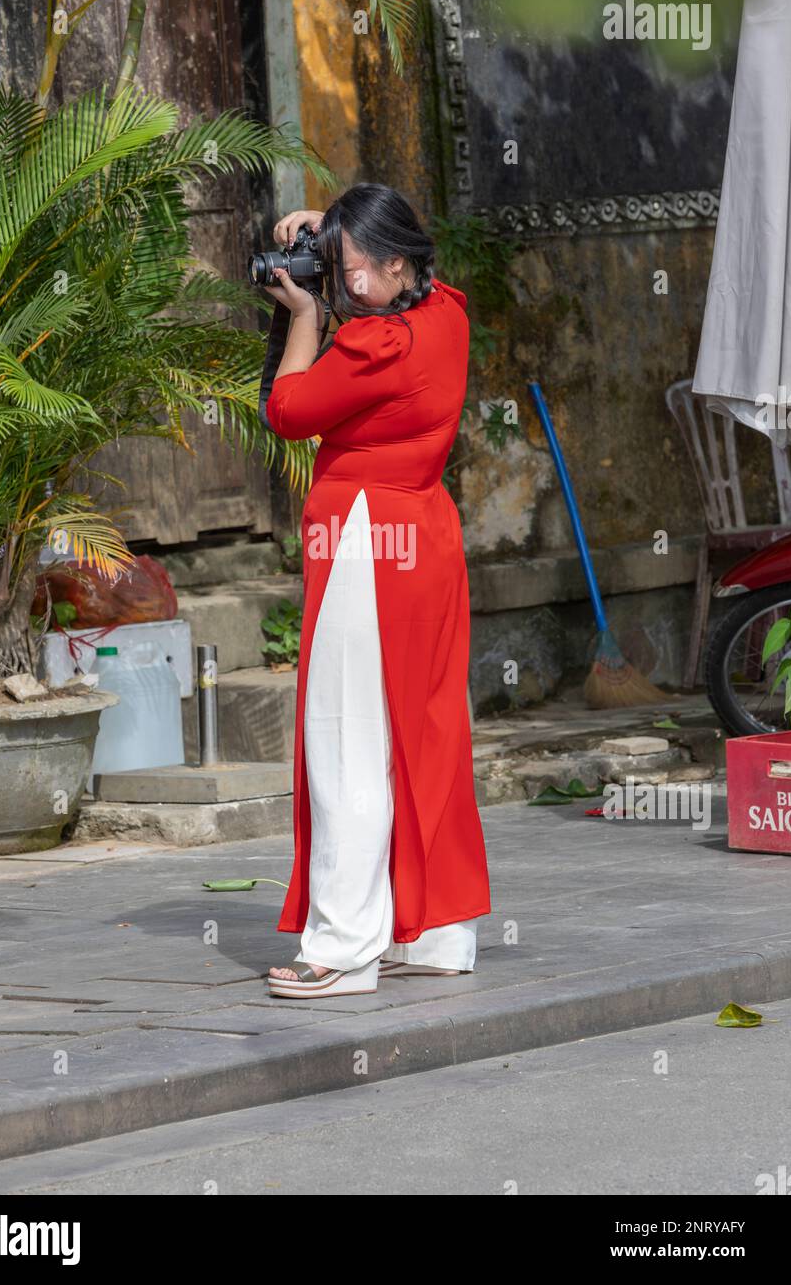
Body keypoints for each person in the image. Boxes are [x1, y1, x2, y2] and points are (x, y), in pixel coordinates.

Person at [263, 183, 491, 999]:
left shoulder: (375, 344)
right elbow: (393, 268)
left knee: (348, 740)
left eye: (355, 267)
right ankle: (433, 937)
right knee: (422, 736)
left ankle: (345, 946)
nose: (346, 283)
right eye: (338, 265)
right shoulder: (447, 314)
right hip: (425, 539)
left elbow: (288, 411)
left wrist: (302, 316)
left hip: (365, 545)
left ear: (399, 263)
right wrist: (331, 229)